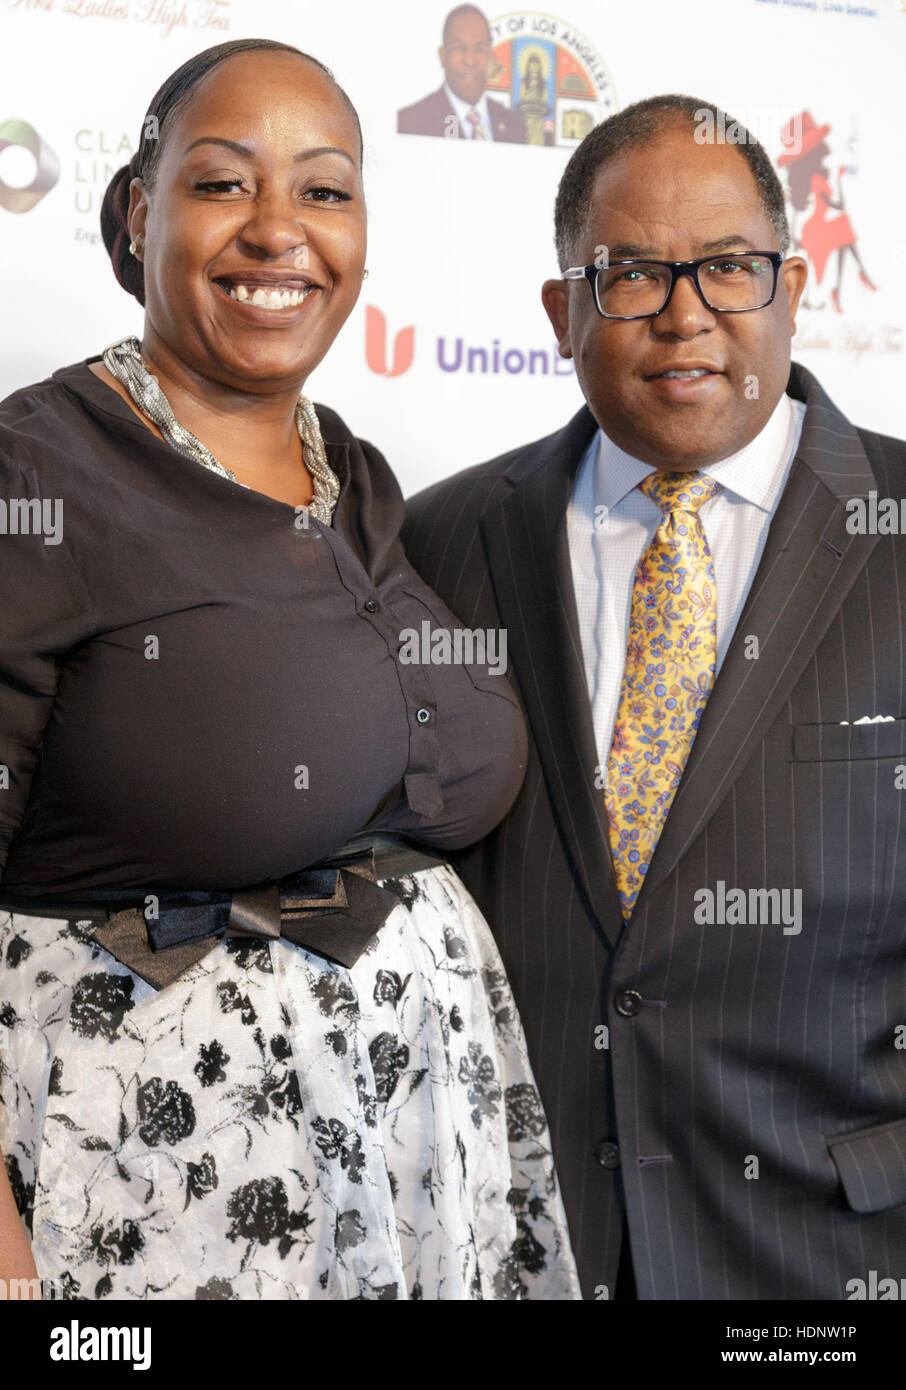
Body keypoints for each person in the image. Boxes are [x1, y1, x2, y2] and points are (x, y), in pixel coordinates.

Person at [0, 38, 580, 1302]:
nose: (280, 232)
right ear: (135, 211)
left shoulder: (357, 476)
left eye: (323, 189)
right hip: (154, 1192)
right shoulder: (34, 479)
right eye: (223, 184)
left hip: (411, 1161)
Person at [404, 94, 906, 1300]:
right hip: (521, 1241)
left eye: (729, 267)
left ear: (791, 288)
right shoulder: (439, 542)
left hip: (827, 1252)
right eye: (628, 273)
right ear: (561, 310)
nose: (686, 315)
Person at [397, 4, 526, 143]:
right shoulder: (410, 122)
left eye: (479, 49)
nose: (470, 60)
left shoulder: (515, 125)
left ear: (491, 57)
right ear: (443, 56)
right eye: (459, 47)